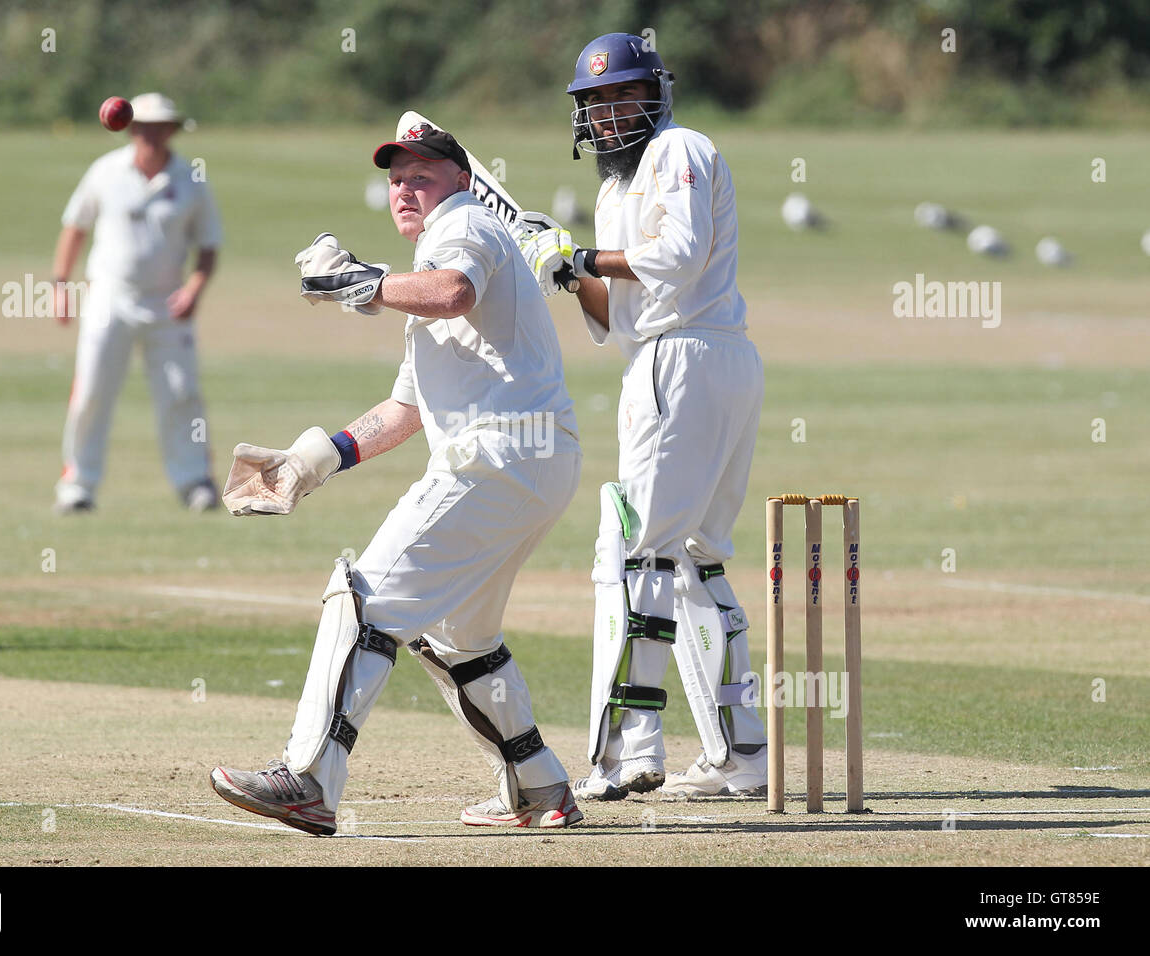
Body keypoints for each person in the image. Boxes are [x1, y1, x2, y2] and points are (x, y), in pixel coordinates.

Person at [209, 122, 584, 835]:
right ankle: (540, 787)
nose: (407, 188)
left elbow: (452, 292)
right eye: (396, 178)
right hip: (536, 459)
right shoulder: (437, 250)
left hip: (499, 456)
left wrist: (364, 281)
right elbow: (406, 409)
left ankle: (310, 776)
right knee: (456, 635)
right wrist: (313, 460)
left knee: (362, 598)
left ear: (461, 179)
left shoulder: (464, 224)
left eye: (423, 174)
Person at [517, 34, 768, 800]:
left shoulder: (679, 148)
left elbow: (682, 253)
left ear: (653, 96)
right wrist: (563, 271)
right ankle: (744, 751)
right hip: (674, 360)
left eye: (620, 96)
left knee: (641, 555)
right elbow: (619, 321)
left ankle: (631, 749)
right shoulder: (611, 189)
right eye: (593, 102)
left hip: (690, 358)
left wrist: (589, 256)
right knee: (694, 556)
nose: (605, 113)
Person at [52, 92, 222, 514]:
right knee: (91, 389)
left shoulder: (190, 178)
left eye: (160, 126)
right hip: (110, 297)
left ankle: (194, 481)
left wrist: (195, 289)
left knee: (181, 394)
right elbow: (75, 226)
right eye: (145, 126)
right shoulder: (106, 172)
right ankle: (77, 484)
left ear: (170, 130)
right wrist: (60, 284)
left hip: (168, 304)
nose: (152, 134)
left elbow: (208, 245)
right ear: (131, 129)